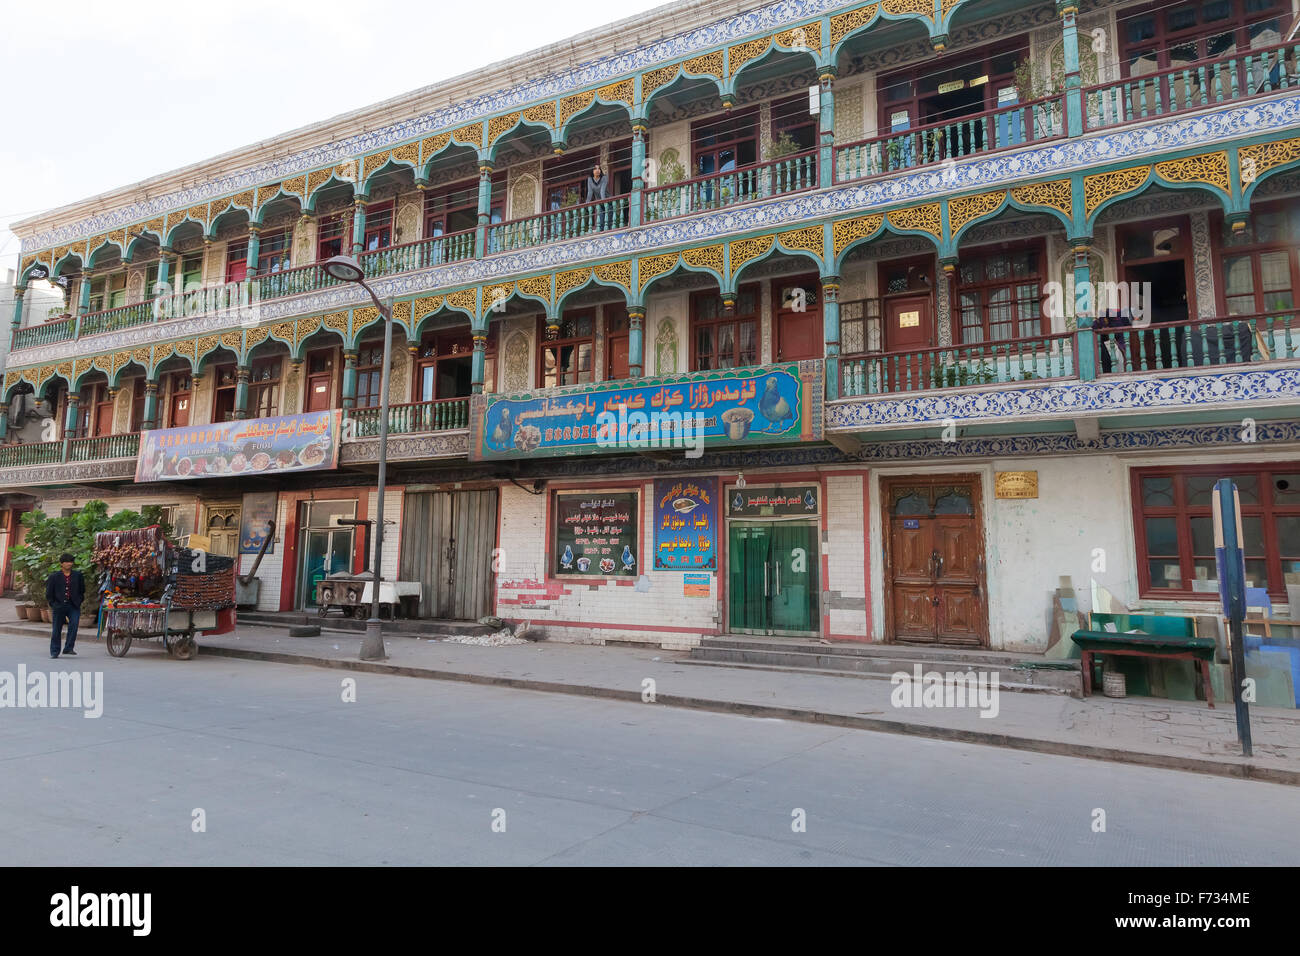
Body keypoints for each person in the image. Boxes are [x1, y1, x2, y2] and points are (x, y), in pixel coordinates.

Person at [46, 553, 85, 659]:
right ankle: (54, 651)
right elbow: (49, 593)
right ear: (61, 563)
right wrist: (53, 604)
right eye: (66, 562)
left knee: (74, 625)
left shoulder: (78, 575)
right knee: (56, 629)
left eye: (70, 562)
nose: (69, 564)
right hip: (59, 605)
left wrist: (79, 600)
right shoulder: (54, 576)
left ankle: (68, 648)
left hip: (74, 605)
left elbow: (82, 590)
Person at [585, 163, 610, 232]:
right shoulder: (590, 179)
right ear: (592, 171)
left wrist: (604, 203)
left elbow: (602, 191)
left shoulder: (604, 178)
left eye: (599, 168)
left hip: (608, 202)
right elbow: (590, 193)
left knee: (608, 223)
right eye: (595, 169)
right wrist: (586, 204)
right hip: (600, 204)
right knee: (601, 223)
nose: (598, 170)